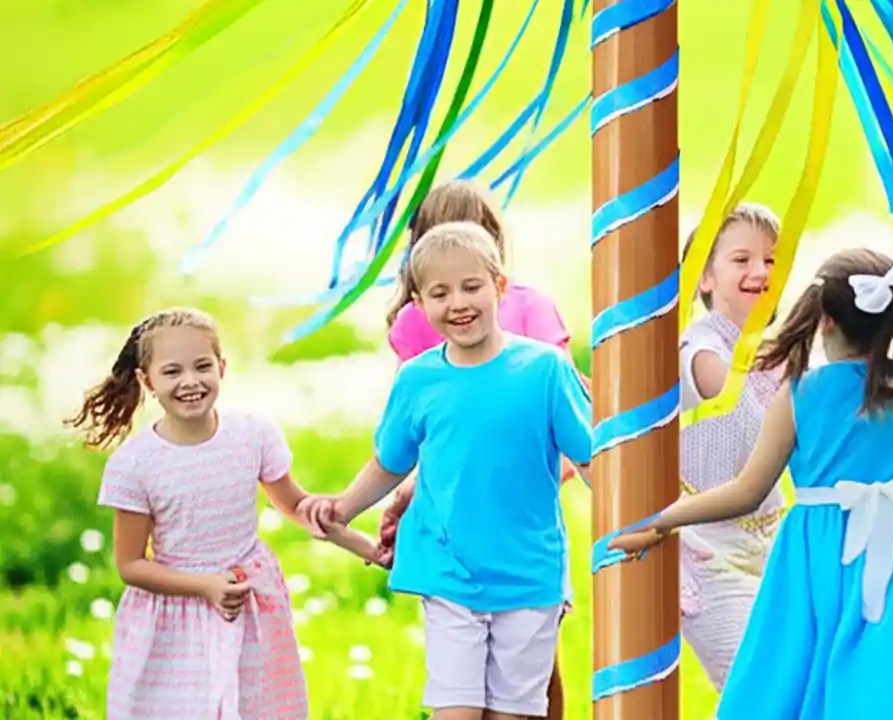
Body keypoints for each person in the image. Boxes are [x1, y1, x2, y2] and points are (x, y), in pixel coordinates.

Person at [610, 248, 893, 718]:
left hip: (820, 550)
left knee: (799, 671)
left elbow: (745, 491)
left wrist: (663, 521)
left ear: (826, 320)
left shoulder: (799, 393)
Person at [300, 221, 592, 720]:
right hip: (448, 572)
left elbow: (590, 460)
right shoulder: (419, 379)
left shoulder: (545, 369)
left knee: (511, 715)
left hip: (529, 575)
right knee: (455, 713)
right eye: (440, 293)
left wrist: (641, 517)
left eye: (471, 287)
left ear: (500, 286)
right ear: (419, 303)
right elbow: (390, 462)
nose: (458, 303)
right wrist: (343, 507)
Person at [66, 308, 377, 720]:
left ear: (222, 368)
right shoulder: (135, 464)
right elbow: (130, 565)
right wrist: (205, 586)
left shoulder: (252, 434)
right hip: (176, 612)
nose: (190, 381)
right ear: (147, 381)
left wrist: (367, 547)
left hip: (248, 600)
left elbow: (297, 505)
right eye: (172, 371)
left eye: (202, 366)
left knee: (256, 707)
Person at [377, 180, 578, 719]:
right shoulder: (416, 324)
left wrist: (529, 481)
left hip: (523, 528)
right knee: (464, 680)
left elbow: (566, 426)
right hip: (453, 529)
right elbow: (421, 432)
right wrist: (408, 496)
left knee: (532, 671)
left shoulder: (533, 314)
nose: (458, 300)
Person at [676, 202, 786, 689]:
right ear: (704, 278)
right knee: (753, 686)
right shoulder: (700, 347)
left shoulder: (777, 352)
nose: (760, 271)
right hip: (708, 550)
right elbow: (723, 385)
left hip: (776, 544)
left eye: (771, 259)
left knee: (794, 687)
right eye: (742, 260)